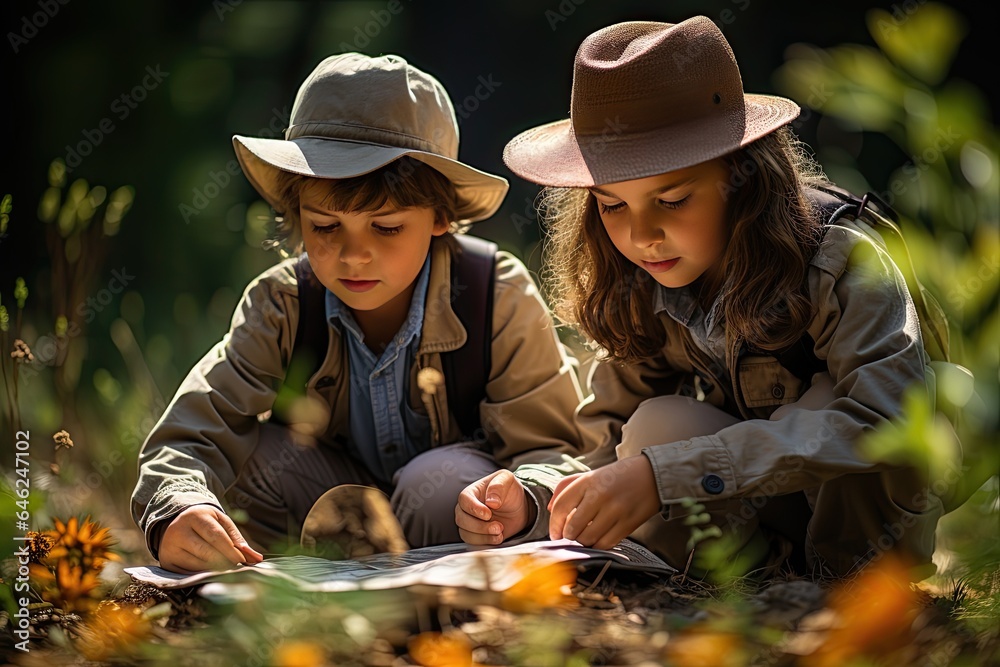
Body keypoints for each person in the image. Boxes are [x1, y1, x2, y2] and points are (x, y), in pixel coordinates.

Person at [456, 17, 954, 579]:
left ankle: (846, 589)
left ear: (745, 178)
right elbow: (608, 446)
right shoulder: (640, 280)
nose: (641, 236)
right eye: (611, 205)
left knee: (818, 403)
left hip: (876, 528)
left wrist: (666, 474)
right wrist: (532, 497)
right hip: (757, 535)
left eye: (671, 200)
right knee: (656, 427)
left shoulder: (842, 260)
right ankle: (753, 589)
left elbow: (886, 420)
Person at [131, 53, 585, 573]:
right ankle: (289, 594)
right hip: (324, 510)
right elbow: (196, 427)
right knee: (244, 460)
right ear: (297, 215)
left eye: (386, 228)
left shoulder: (495, 294)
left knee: (437, 481)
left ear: (440, 217)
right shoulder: (281, 303)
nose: (353, 255)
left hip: (458, 524)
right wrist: (178, 507)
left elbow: (555, 450)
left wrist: (525, 494)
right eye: (326, 227)